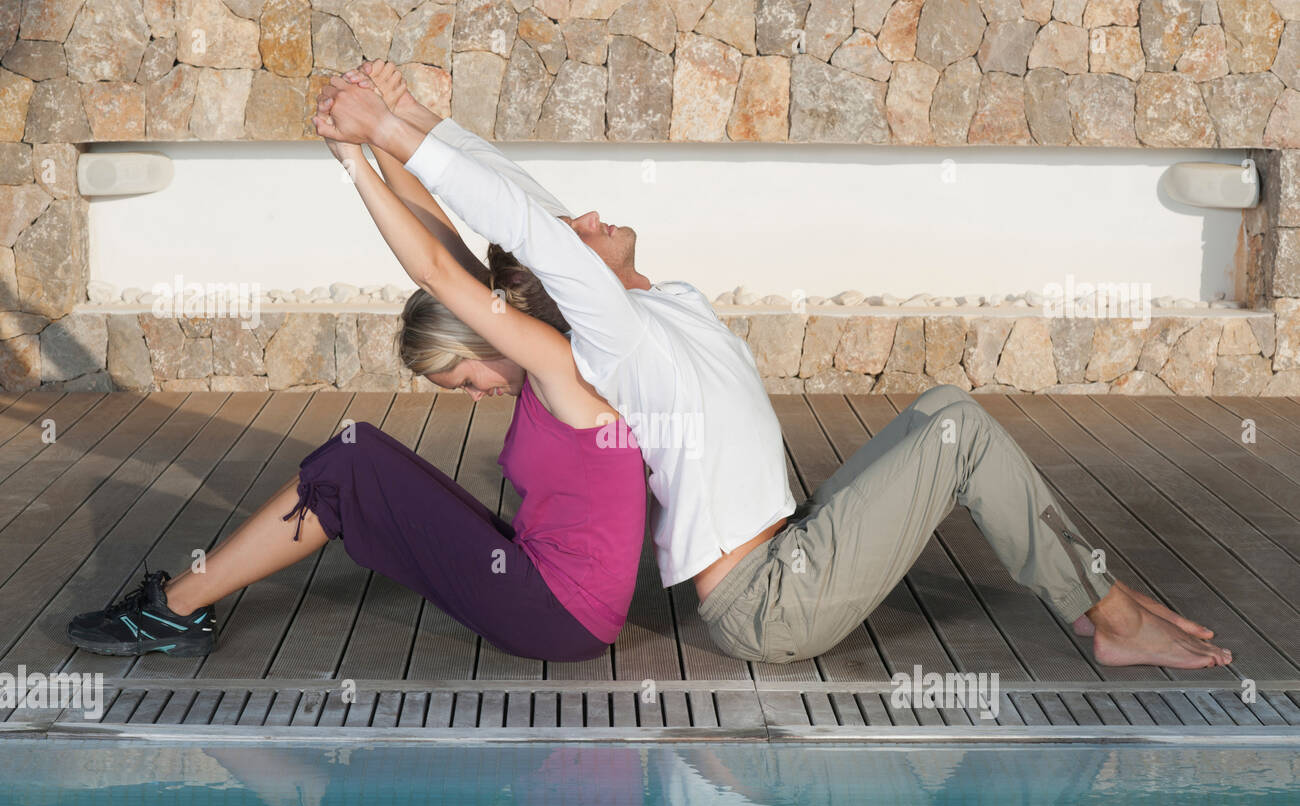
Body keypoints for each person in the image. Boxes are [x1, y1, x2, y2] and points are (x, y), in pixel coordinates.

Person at [314, 62, 1231, 672]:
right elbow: (498, 237)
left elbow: (516, 193)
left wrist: (408, 117)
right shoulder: (613, 336)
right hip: (768, 601)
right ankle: (1106, 613)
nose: (586, 215)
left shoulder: (648, 304)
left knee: (946, 409)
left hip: (798, 540)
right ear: (578, 276)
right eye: (579, 235)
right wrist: (379, 144)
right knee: (956, 431)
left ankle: (1091, 596)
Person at [63, 95, 647, 665]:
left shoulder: (560, 367)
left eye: (463, 379)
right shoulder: (545, 356)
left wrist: (351, 159)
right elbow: (440, 240)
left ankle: (174, 610)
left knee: (352, 460)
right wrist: (380, 128)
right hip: (550, 593)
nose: (474, 397)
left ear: (484, 337)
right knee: (354, 457)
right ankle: (176, 607)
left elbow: (435, 270)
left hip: (555, 614)